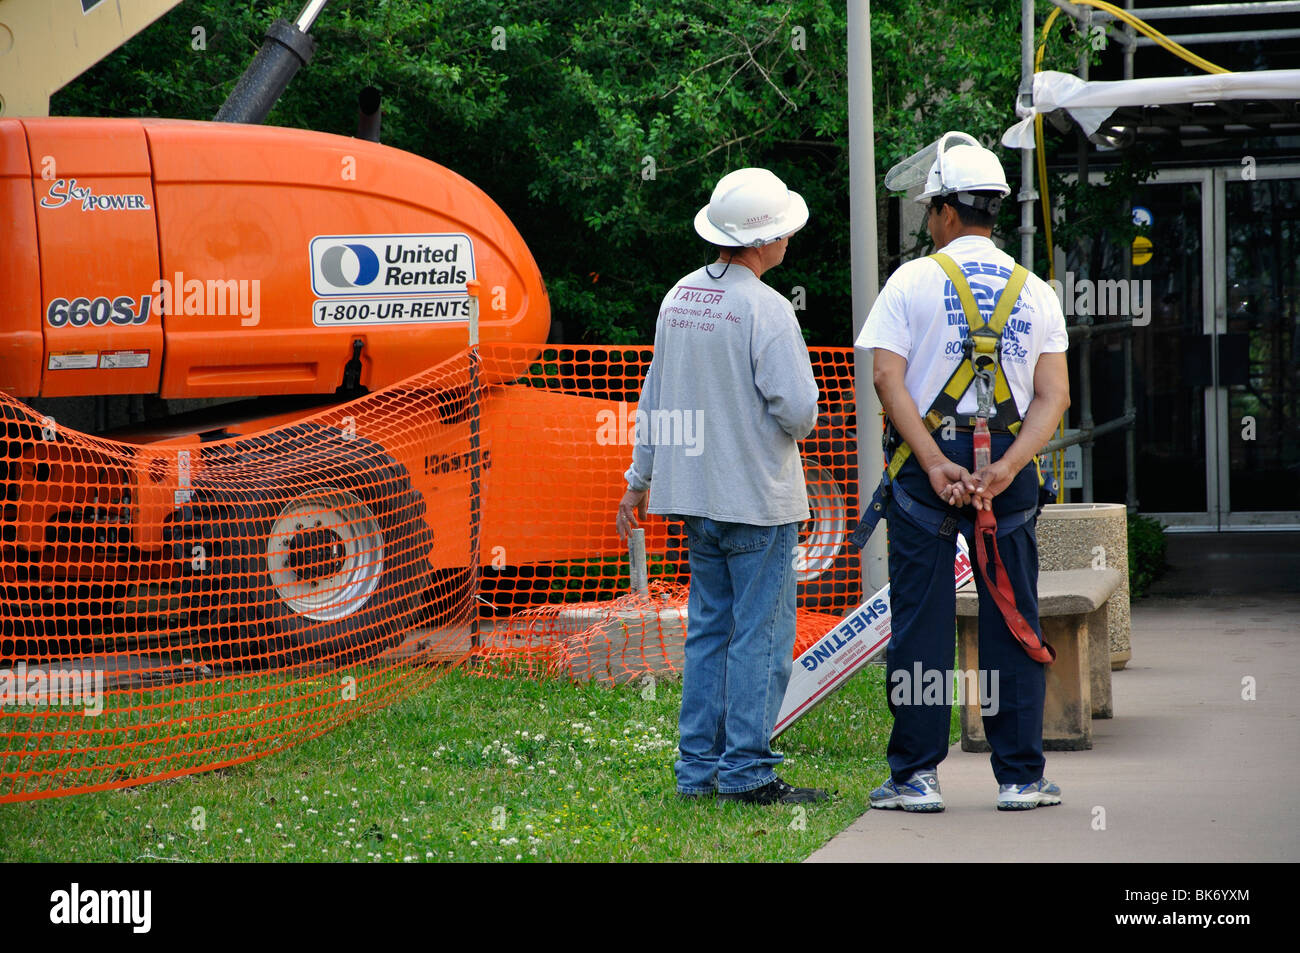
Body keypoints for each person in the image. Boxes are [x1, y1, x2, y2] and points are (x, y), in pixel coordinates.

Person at [855, 133, 1071, 812]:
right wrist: (1006, 466)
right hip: (1006, 480)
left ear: (946, 211)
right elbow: (1054, 396)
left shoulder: (911, 282)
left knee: (922, 621)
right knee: (1012, 617)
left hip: (927, 477)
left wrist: (932, 459)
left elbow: (886, 378)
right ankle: (1020, 776)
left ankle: (916, 776)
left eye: (929, 208)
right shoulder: (1035, 291)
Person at [615, 167, 828, 805]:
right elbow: (799, 411)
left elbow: (653, 397)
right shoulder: (766, 307)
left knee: (708, 631)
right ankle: (747, 774)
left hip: (694, 500)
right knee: (760, 635)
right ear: (764, 240)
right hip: (758, 502)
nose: (789, 238)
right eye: (783, 230)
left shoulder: (678, 298)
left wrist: (638, 482)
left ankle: (697, 773)